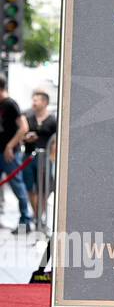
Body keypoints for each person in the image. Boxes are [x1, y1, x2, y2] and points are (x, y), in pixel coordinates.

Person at [21, 90, 57, 235]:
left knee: (44, 188)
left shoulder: (53, 120)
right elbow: (22, 134)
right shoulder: (28, 117)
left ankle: (40, 216)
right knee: (30, 187)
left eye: (37, 100)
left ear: (45, 102)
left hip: (46, 158)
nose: (34, 102)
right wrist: (26, 138)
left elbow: (55, 140)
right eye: (33, 99)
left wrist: (53, 156)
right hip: (29, 156)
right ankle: (37, 216)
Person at [0, 77, 32, 235]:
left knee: (17, 186)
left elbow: (23, 127)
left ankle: (26, 221)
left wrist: (9, 146)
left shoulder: (10, 104)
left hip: (10, 154)